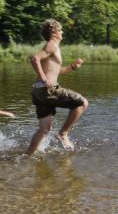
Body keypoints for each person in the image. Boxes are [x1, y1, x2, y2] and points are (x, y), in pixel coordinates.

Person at [26, 19, 88, 153]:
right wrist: (43, 78)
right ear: (54, 33)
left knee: (44, 129)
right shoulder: (51, 45)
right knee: (82, 102)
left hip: (38, 91)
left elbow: (57, 71)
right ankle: (63, 133)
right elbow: (34, 59)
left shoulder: (53, 48)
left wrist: (72, 67)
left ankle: (27, 156)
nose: (62, 32)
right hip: (47, 89)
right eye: (60, 30)